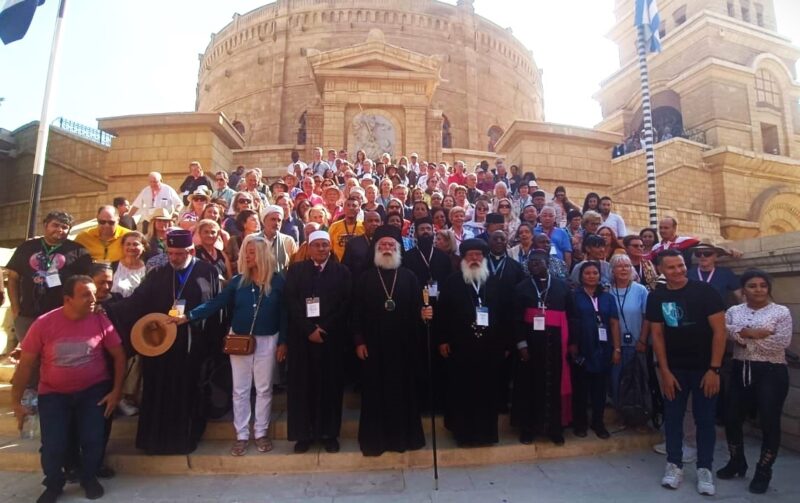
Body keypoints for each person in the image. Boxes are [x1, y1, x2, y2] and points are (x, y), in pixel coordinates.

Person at [105, 230, 223, 455]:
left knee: (187, 391)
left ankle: (183, 440)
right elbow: (136, 302)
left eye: (179, 254)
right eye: (170, 253)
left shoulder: (207, 271)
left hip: (191, 345)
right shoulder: (158, 273)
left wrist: (210, 341)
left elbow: (215, 307)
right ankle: (154, 441)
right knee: (157, 391)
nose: (174, 258)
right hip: (159, 345)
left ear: (190, 251)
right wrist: (108, 310)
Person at [12, 275, 125, 503]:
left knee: (93, 439)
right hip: (54, 394)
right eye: (86, 295)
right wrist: (16, 402)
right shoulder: (43, 324)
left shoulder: (100, 320)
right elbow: (25, 366)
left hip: (93, 391)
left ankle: (89, 478)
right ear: (67, 299)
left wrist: (116, 392)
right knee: (53, 444)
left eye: (94, 294)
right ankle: (54, 484)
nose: (93, 299)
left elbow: (119, 356)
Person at [178, 234, 286, 456]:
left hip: (267, 339)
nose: (247, 256)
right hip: (239, 340)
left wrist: (283, 342)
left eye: (252, 251)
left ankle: (261, 432)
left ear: (264, 255)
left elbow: (284, 314)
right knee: (240, 389)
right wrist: (189, 316)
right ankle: (242, 434)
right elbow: (216, 303)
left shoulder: (278, 281)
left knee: (264, 389)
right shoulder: (238, 282)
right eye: (246, 251)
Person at [647, 249, 726, 495]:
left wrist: (714, 369)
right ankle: (674, 464)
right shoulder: (657, 297)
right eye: (671, 267)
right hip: (675, 370)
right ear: (661, 270)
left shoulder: (705, 291)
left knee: (704, 420)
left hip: (705, 369)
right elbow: (657, 335)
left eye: (681, 265)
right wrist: (665, 371)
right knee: (672, 418)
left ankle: (704, 468)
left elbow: (720, 332)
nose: (678, 271)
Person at [353, 225, 428, 456]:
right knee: (374, 393)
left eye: (391, 245)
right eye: (383, 245)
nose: (387, 248)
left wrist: (424, 315)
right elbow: (355, 313)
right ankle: (376, 441)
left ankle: (402, 439)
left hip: (402, 346)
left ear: (398, 249)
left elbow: (418, 309)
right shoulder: (364, 278)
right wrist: (359, 341)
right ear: (376, 249)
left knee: (402, 392)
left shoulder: (409, 277)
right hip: (373, 347)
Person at [718, 269, 792, 494]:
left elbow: (781, 342)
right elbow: (725, 330)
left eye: (762, 285)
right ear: (744, 289)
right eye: (752, 285)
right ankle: (736, 461)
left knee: (769, 421)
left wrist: (744, 337)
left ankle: (763, 470)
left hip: (771, 371)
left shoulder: (781, 311)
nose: (758, 289)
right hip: (741, 369)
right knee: (731, 418)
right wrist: (752, 333)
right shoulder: (733, 310)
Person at [284, 231, 352, 453]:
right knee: (303, 387)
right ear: (309, 248)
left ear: (330, 247)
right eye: (317, 245)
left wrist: (324, 328)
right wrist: (309, 329)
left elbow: (345, 303)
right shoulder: (295, 271)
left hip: (331, 339)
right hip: (302, 339)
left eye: (325, 245)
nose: (321, 249)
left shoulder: (341, 271)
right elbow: (291, 302)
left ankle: (329, 433)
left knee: (330, 386)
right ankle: (303, 435)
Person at [436, 238, 504, 446]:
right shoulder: (452, 281)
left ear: (483, 258)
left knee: (487, 390)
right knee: (462, 390)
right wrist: (443, 339)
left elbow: (504, 314)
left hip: (489, 347)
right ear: (464, 258)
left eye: (478, 255)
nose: (474, 258)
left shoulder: (494, 282)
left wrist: (504, 343)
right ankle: (463, 434)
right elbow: (442, 313)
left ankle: (487, 434)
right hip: (461, 345)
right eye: (470, 255)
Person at [5, 211, 92, 352]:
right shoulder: (27, 247)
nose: (59, 230)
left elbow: (87, 282)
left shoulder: (78, 251)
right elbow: (13, 278)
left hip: (62, 315)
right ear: (45, 225)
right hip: (27, 315)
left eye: (64, 227)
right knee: (30, 356)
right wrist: (16, 310)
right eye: (55, 225)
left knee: (55, 355)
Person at [511, 249, 574, 445]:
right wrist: (521, 344)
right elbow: (516, 319)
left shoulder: (562, 287)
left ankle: (555, 428)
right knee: (529, 386)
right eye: (531, 262)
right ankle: (528, 428)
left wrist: (572, 343)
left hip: (556, 345)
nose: (533, 265)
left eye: (538, 262)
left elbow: (571, 316)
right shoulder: (521, 288)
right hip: (531, 344)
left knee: (553, 385)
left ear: (548, 263)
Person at [570, 261, 621, 440]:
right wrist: (572, 345)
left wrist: (616, 348)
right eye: (587, 273)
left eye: (595, 273)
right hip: (582, 347)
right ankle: (580, 423)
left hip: (603, 348)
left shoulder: (608, 297)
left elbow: (614, 323)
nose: (591, 276)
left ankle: (598, 423)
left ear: (600, 276)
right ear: (581, 276)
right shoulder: (574, 296)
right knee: (581, 389)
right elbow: (571, 321)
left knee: (600, 389)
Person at [608, 254, 650, 407]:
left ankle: (638, 416)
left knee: (638, 381)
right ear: (612, 270)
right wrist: (615, 348)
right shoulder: (607, 292)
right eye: (619, 266)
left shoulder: (641, 290)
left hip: (637, 344)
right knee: (617, 381)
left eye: (627, 265)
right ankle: (621, 414)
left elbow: (647, 317)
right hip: (614, 346)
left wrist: (643, 340)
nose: (623, 269)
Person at [260, 205, 299, 274]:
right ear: (264, 221)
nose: (276, 223)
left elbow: (295, 266)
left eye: (279, 220)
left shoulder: (288, 241)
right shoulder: (253, 240)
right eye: (273, 219)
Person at [111, 231, 148, 298]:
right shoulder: (113, 266)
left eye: (135, 244)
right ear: (123, 246)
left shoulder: (148, 268)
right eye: (128, 244)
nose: (131, 247)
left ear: (143, 247)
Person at [328, 196, 364, 261]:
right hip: (339, 266)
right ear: (343, 209)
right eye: (348, 205)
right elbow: (329, 248)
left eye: (354, 206)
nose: (351, 208)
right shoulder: (334, 226)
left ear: (358, 210)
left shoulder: (363, 227)